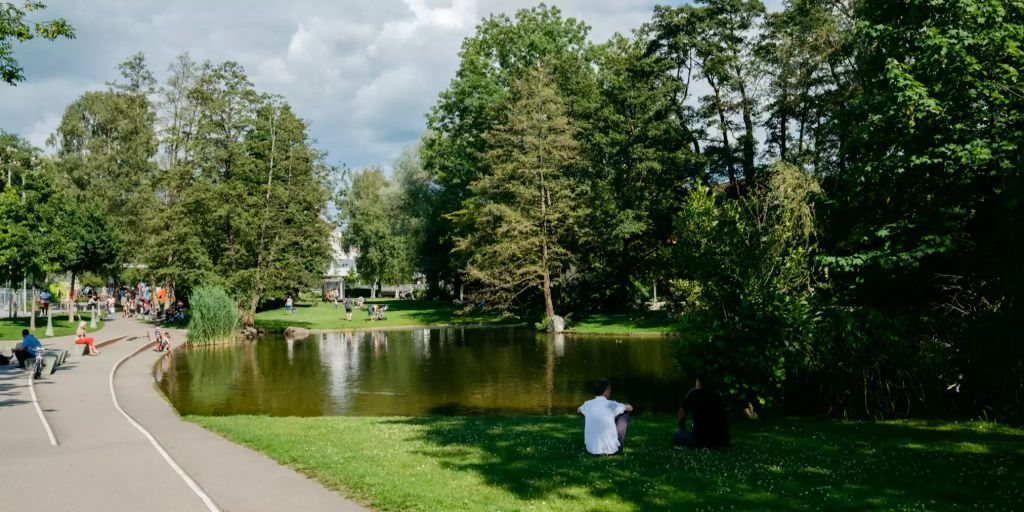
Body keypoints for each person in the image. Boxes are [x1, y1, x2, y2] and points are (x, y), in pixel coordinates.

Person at [578, 378, 633, 455]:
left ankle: (591, 440)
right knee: (624, 413)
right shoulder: (611, 404)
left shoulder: (587, 404)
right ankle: (617, 441)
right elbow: (630, 408)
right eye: (609, 389)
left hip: (591, 450)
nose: (610, 391)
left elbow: (578, 410)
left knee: (584, 413)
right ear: (606, 392)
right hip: (613, 450)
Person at [673, 378, 730, 449]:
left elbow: (681, 414)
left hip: (701, 441)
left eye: (696, 383)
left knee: (677, 434)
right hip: (722, 441)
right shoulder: (717, 395)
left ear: (699, 384)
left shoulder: (693, 393)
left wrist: (682, 428)